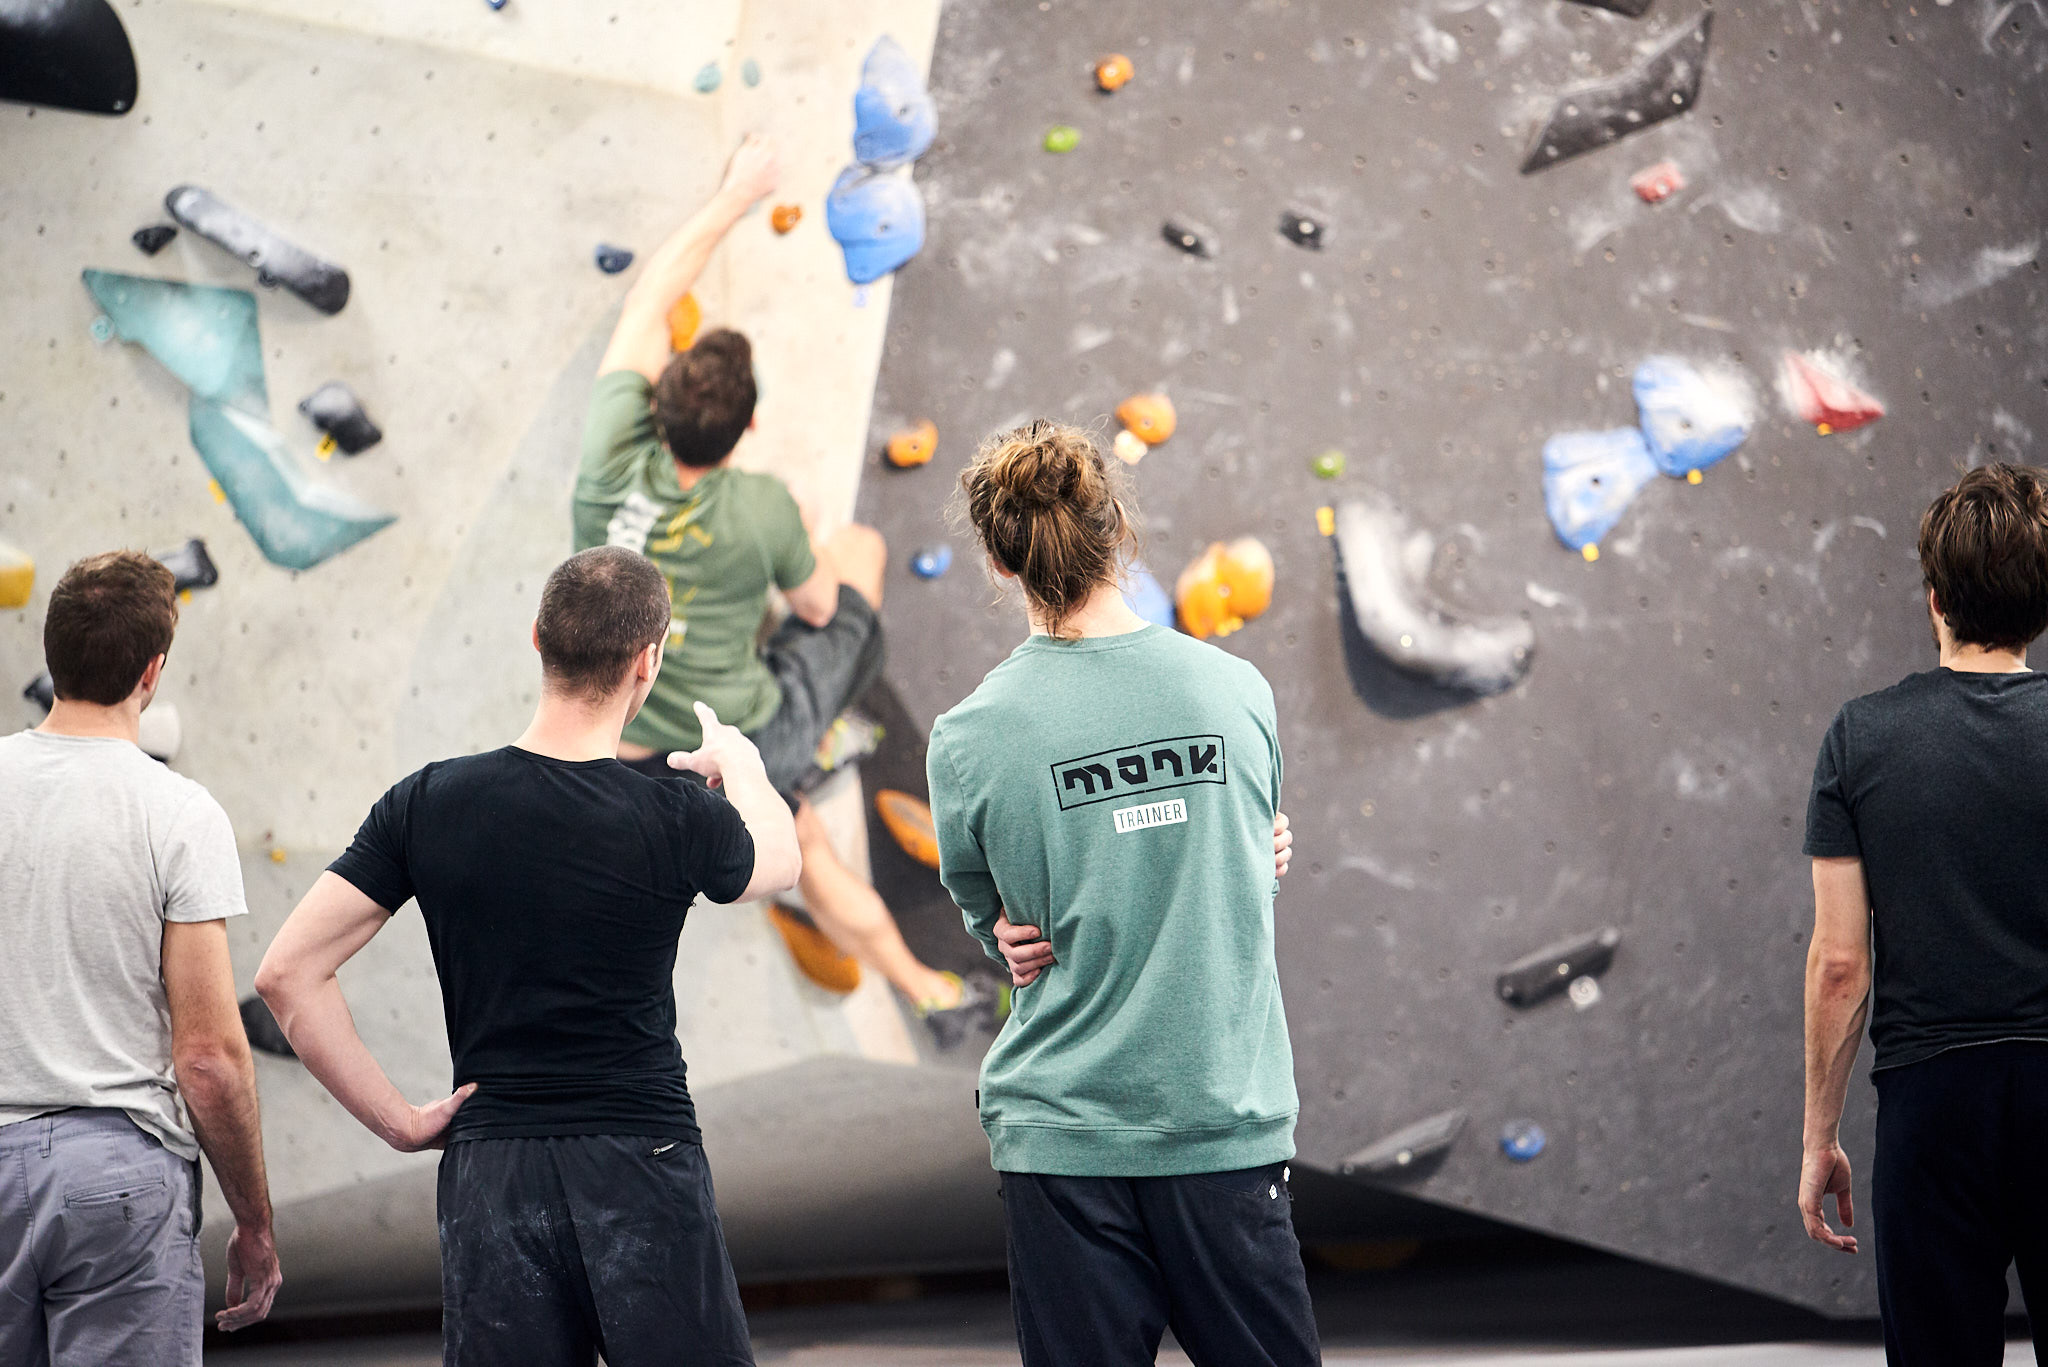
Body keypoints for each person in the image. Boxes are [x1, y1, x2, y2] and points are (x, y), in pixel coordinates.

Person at [255, 546, 799, 1367]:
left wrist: (399, 1122)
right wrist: (743, 767)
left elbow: (285, 973)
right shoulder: (678, 815)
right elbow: (780, 860)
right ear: (647, 660)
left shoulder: (427, 801)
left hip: (493, 1171)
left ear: (537, 637)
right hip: (640, 1161)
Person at [576, 131, 998, 1043]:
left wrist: (734, 195)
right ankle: (921, 978)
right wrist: (795, 535)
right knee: (854, 559)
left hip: (647, 761)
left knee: (807, 841)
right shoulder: (756, 505)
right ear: (745, 427)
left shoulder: (607, 456)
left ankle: (924, 988)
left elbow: (653, 296)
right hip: (750, 724)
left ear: (655, 405)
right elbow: (814, 608)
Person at [926, 421, 1319, 1366]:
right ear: (1118, 530)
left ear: (999, 561)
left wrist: (1014, 934)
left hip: (1061, 1140)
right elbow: (1248, 844)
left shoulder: (969, 737)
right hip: (1218, 1119)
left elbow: (998, 921)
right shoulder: (1235, 690)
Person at [0, 551, 282, 1365]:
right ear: (152, 670)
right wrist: (255, 1223)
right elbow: (207, 1057)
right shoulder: (178, 813)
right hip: (114, 1178)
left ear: (52, 655)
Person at [1799, 463, 2048, 1365]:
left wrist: (1819, 1135)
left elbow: (1839, 963)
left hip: (1932, 1104)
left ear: (1935, 597)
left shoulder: (1862, 737)